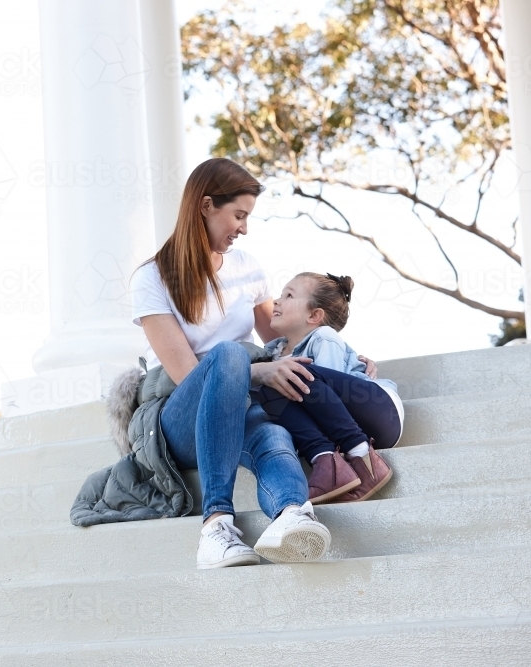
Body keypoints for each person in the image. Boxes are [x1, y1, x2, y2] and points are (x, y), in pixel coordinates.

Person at [131, 158, 376, 569]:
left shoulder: (246, 268)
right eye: (238, 215)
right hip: (179, 416)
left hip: (240, 406)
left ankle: (293, 516)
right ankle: (215, 528)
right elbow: (188, 376)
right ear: (206, 205)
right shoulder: (152, 278)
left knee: (274, 436)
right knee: (228, 353)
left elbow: (284, 342)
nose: (243, 228)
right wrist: (257, 371)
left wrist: (346, 359)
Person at [253, 273, 404, 504]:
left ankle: (364, 457)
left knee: (293, 373)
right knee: (271, 383)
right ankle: (326, 461)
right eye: (280, 294)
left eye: (289, 295)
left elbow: (326, 401)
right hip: (349, 425)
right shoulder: (271, 354)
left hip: (380, 412)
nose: (276, 301)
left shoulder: (324, 337)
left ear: (314, 315)